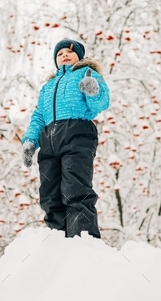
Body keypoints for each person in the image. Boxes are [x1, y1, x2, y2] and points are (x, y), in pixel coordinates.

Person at [21, 39, 110, 239]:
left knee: (76, 188)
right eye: (60, 54)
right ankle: (57, 241)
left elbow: (102, 102)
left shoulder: (86, 74)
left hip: (77, 133)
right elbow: (39, 116)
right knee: (49, 195)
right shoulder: (48, 86)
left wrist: (93, 89)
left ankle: (83, 239)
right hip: (48, 141)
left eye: (69, 52)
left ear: (80, 56)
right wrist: (30, 141)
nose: (64, 56)